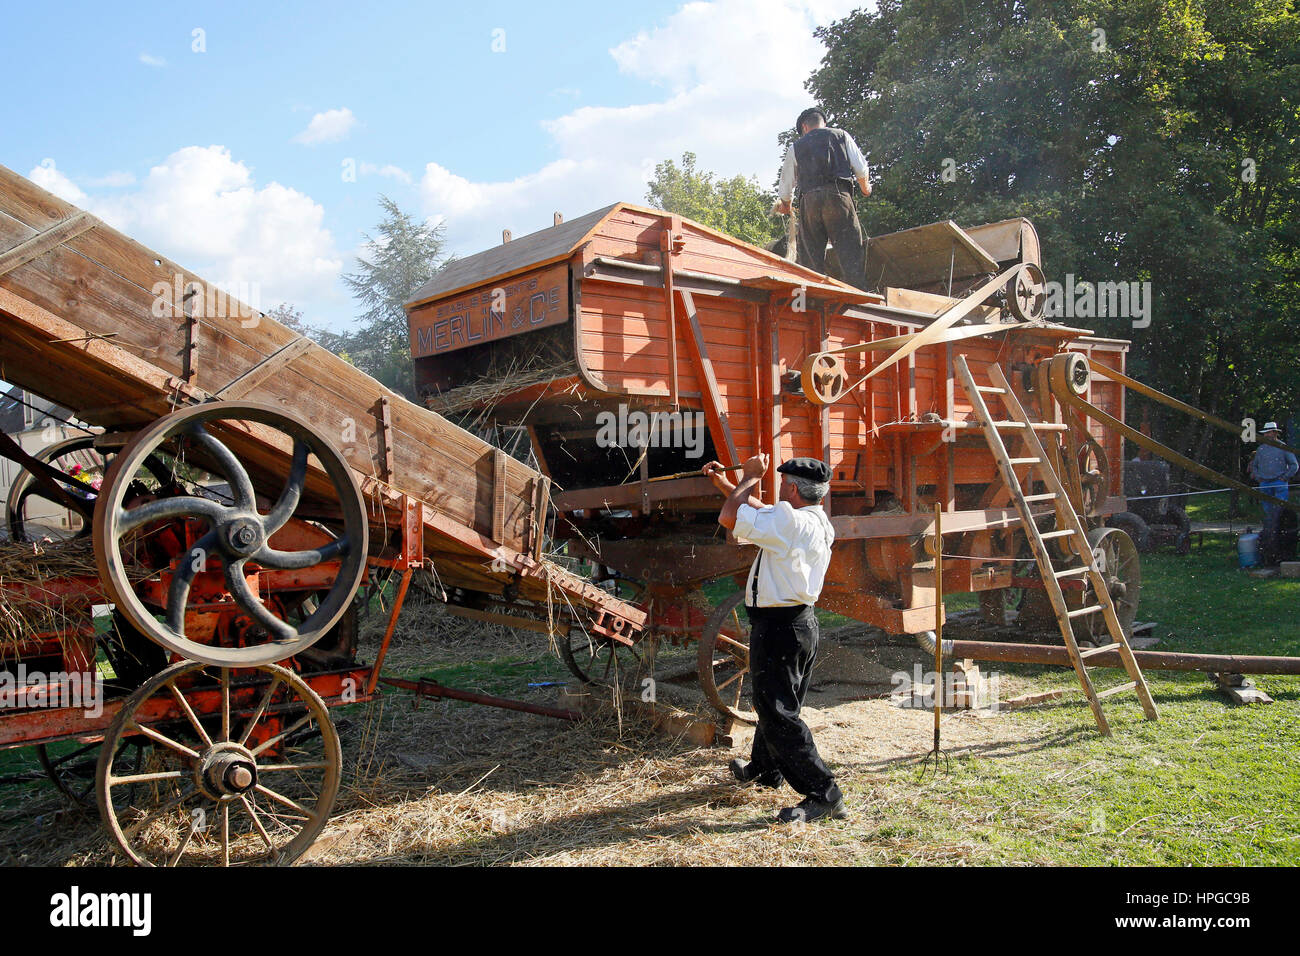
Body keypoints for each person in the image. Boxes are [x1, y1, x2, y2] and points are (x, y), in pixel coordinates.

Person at [702, 453, 844, 823]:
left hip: (781, 628)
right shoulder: (813, 520)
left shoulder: (791, 523)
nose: (780, 490)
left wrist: (749, 476)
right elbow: (762, 511)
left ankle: (824, 793)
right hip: (799, 626)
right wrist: (723, 483)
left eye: (784, 485)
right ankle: (766, 770)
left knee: (778, 711)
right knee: (774, 702)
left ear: (793, 489)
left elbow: (730, 518)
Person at [774, 108, 871, 289]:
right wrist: (866, 189)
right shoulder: (841, 135)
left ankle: (813, 300)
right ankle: (859, 296)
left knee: (811, 256)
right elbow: (861, 168)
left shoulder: (796, 147)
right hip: (838, 196)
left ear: (804, 127)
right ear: (823, 123)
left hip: (809, 201)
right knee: (850, 250)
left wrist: (786, 205)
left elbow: (786, 186)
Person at [1247, 421, 1298, 564]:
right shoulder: (1261, 449)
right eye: (1266, 433)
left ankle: (1281, 535)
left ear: (1275, 433)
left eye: (1270, 432)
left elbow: (1294, 465)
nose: (1268, 435)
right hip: (1265, 483)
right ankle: (1270, 534)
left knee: (1280, 510)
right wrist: (1258, 477)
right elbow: (1255, 466)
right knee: (1268, 511)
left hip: (1279, 482)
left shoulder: (1283, 447)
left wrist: (1285, 477)